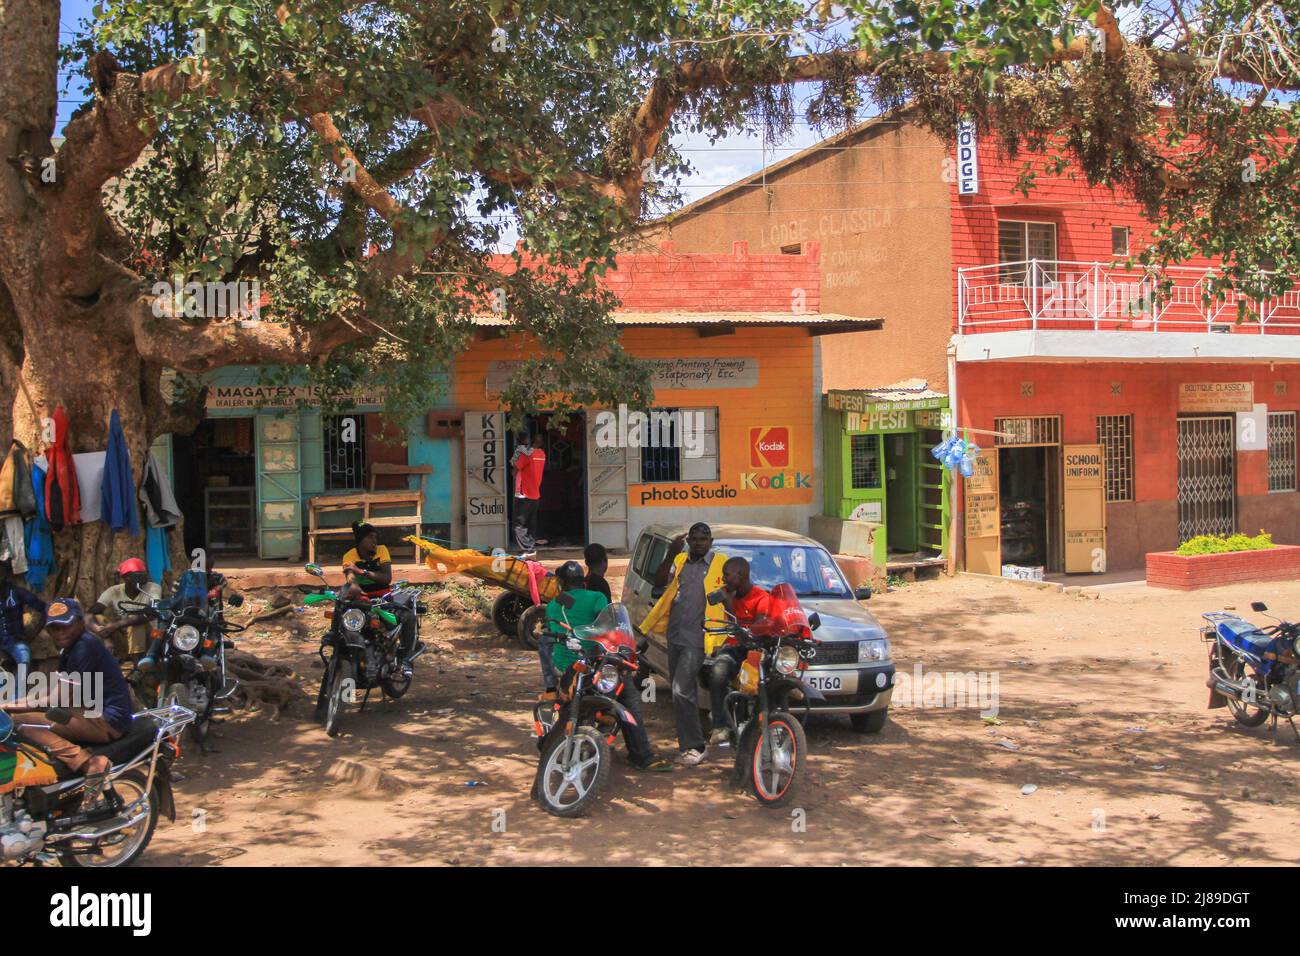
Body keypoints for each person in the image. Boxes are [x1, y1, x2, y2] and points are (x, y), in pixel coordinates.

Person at [543, 560, 670, 772]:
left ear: (562, 584)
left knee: (568, 703)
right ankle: (641, 755)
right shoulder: (596, 597)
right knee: (629, 698)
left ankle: (551, 744)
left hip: (565, 666)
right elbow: (610, 626)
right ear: (583, 581)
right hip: (594, 663)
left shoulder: (554, 605)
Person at [2, 599, 133, 781]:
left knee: (19, 724)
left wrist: (11, 708)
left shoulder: (84, 647)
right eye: (55, 628)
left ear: (80, 622)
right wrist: (12, 703)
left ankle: (90, 763)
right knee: (27, 713)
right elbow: (52, 689)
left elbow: (57, 698)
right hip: (87, 712)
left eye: (66, 625)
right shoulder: (69, 649)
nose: (60, 632)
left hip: (107, 721)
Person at [641, 522, 728, 766]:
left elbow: (735, 585)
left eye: (703, 539)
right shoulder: (680, 561)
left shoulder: (720, 564)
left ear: (710, 541)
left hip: (699, 638)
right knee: (682, 692)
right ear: (688, 540)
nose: (699, 543)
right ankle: (688, 745)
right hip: (675, 635)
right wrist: (671, 553)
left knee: (681, 690)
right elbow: (659, 582)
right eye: (694, 539)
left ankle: (695, 747)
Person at [707, 556, 773, 745]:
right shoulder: (729, 594)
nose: (723, 579)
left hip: (755, 649)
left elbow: (756, 632)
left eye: (727, 575)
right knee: (718, 671)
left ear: (741, 575)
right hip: (735, 647)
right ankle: (721, 726)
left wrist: (729, 606)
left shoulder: (761, 598)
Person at [341, 522, 418, 674]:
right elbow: (350, 575)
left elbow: (386, 578)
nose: (374, 541)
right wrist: (353, 584)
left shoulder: (382, 550)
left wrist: (362, 572)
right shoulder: (349, 555)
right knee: (341, 615)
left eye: (375, 537)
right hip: (362, 601)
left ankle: (405, 659)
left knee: (407, 617)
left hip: (383, 598)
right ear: (360, 540)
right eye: (370, 537)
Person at [91, 557, 161, 663]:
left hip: (150, 637)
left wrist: (117, 625)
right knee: (98, 618)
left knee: (136, 624)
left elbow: (152, 613)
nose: (140, 580)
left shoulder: (153, 588)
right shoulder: (114, 591)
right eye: (135, 576)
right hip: (123, 638)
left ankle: (138, 667)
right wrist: (102, 633)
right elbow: (91, 613)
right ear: (124, 577)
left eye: (142, 575)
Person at [0, 558, 43, 673]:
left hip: (15, 642)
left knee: (24, 658)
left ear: (6, 576)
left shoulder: (17, 592)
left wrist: (34, 632)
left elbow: (44, 608)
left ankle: (19, 691)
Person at [510, 427, 546, 551]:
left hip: (523, 492)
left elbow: (515, 469)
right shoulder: (542, 454)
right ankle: (530, 546)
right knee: (531, 522)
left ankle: (526, 549)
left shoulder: (527, 454)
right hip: (535, 493)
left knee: (519, 524)